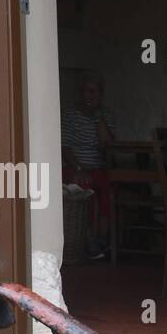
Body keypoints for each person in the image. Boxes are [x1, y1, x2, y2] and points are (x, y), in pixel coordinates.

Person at [61, 73, 116, 259]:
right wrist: (78, 169)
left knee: (107, 193)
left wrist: (97, 118)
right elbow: (65, 147)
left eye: (95, 92)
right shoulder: (71, 114)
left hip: (97, 167)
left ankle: (101, 241)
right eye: (87, 91)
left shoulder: (106, 115)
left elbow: (107, 144)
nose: (90, 96)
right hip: (75, 167)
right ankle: (87, 242)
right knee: (86, 190)